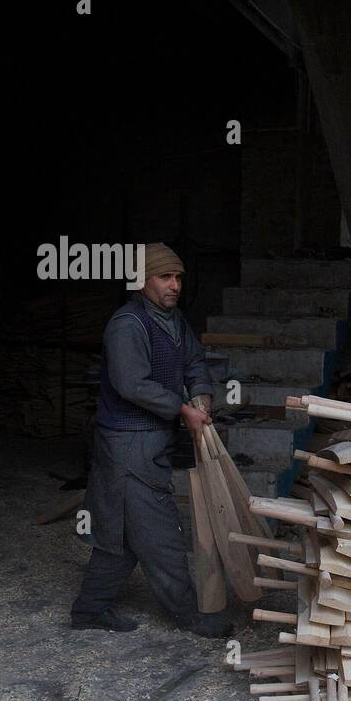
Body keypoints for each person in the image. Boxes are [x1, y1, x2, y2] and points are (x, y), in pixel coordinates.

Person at [71, 242, 232, 637]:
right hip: (128, 443)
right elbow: (131, 383)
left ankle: (90, 609)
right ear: (141, 280)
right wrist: (182, 409)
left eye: (177, 277)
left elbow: (194, 362)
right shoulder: (127, 324)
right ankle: (188, 613)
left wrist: (201, 395)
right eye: (165, 277)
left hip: (150, 438)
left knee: (121, 533)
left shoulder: (174, 320)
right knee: (160, 532)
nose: (173, 285)